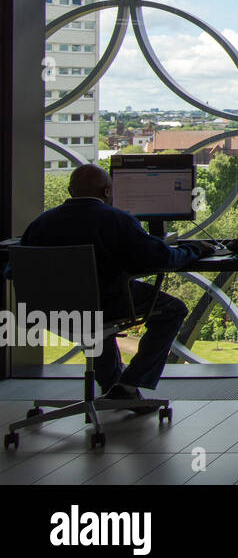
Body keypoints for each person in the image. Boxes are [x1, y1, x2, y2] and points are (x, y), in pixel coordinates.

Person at [19, 164, 209, 404]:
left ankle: (113, 388)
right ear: (107, 191)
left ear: (70, 190)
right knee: (173, 310)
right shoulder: (116, 220)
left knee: (94, 314)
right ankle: (128, 386)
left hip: (51, 310)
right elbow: (163, 258)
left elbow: (12, 270)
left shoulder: (40, 224)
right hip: (105, 304)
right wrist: (194, 249)